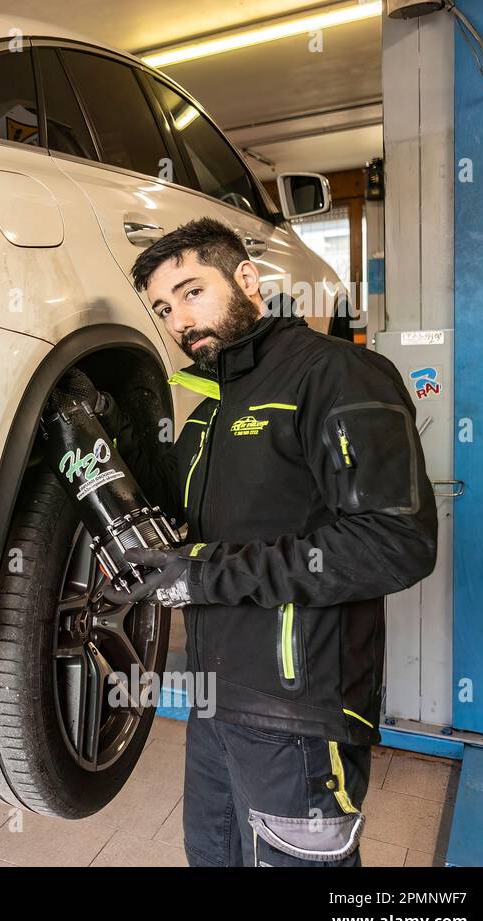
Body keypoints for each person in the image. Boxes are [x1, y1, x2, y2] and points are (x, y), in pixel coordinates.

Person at [96, 217, 437, 866]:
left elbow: (397, 542)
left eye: (193, 292)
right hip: (214, 700)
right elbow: (193, 533)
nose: (180, 321)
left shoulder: (340, 374)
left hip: (298, 712)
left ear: (247, 280)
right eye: (165, 309)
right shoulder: (209, 414)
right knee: (213, 856)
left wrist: (199, 574)